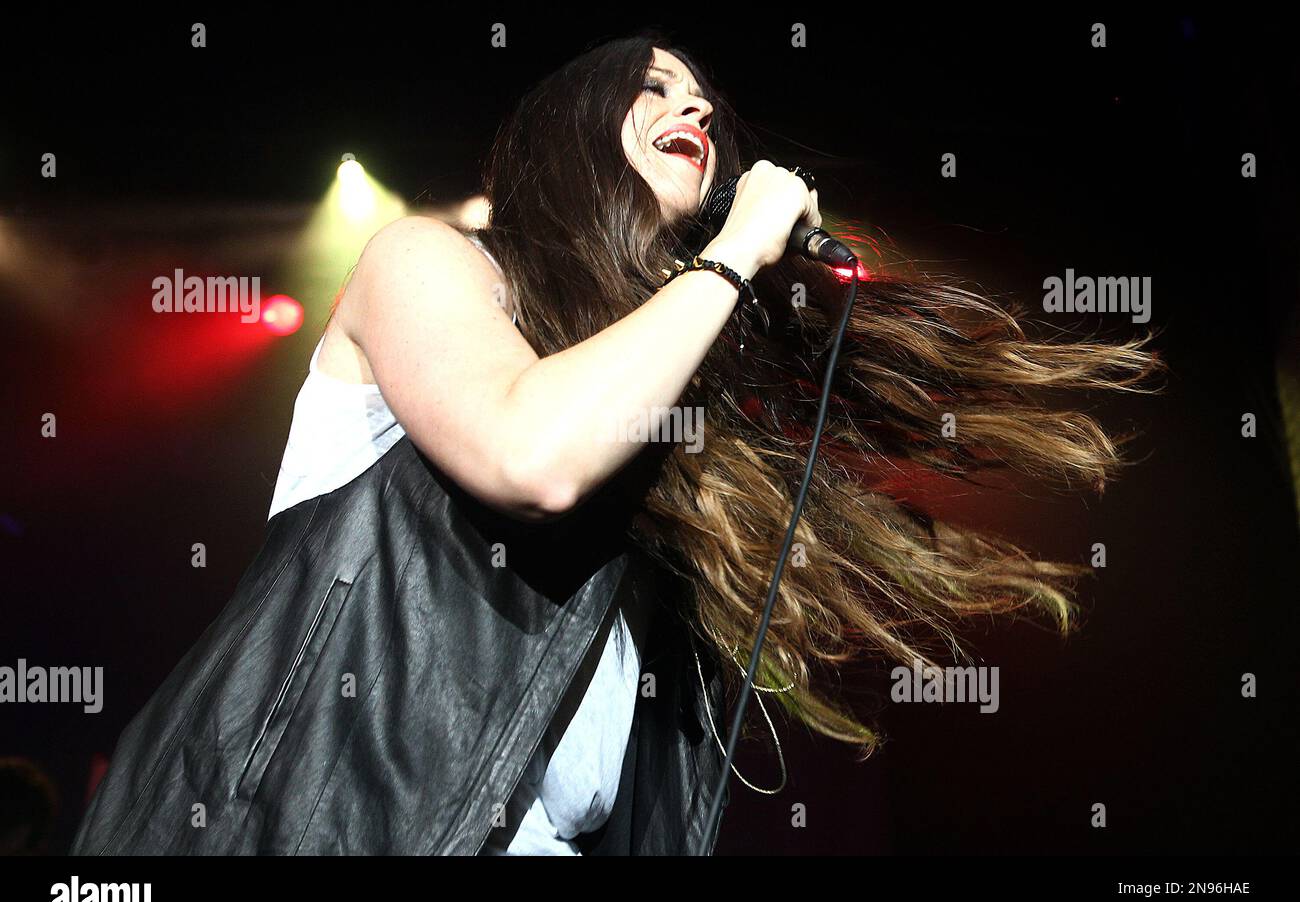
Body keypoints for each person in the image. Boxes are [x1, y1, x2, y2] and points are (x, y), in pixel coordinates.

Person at [71, 34, 1157, 856]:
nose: (692, 103)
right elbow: (532, 454)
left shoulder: (662, 421)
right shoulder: (427, 264)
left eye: (704, 101)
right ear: (573, 133)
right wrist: (732, 253)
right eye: (652, 86)